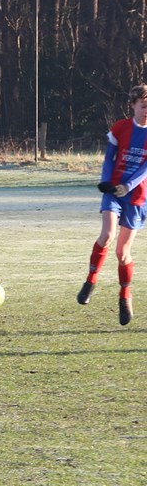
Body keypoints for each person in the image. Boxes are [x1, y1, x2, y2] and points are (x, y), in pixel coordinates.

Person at [77, 83, 147, 326]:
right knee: (106, 235)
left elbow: (146, 168)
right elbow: (109, 158)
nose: (146, 111)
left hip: (136, 197)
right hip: (113, 192)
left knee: (122, 253)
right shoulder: (121, 128)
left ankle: (125, 296)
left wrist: (129, 186)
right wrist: (106, 181)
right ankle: (90, 281)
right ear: (133, 105)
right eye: (143, 106)